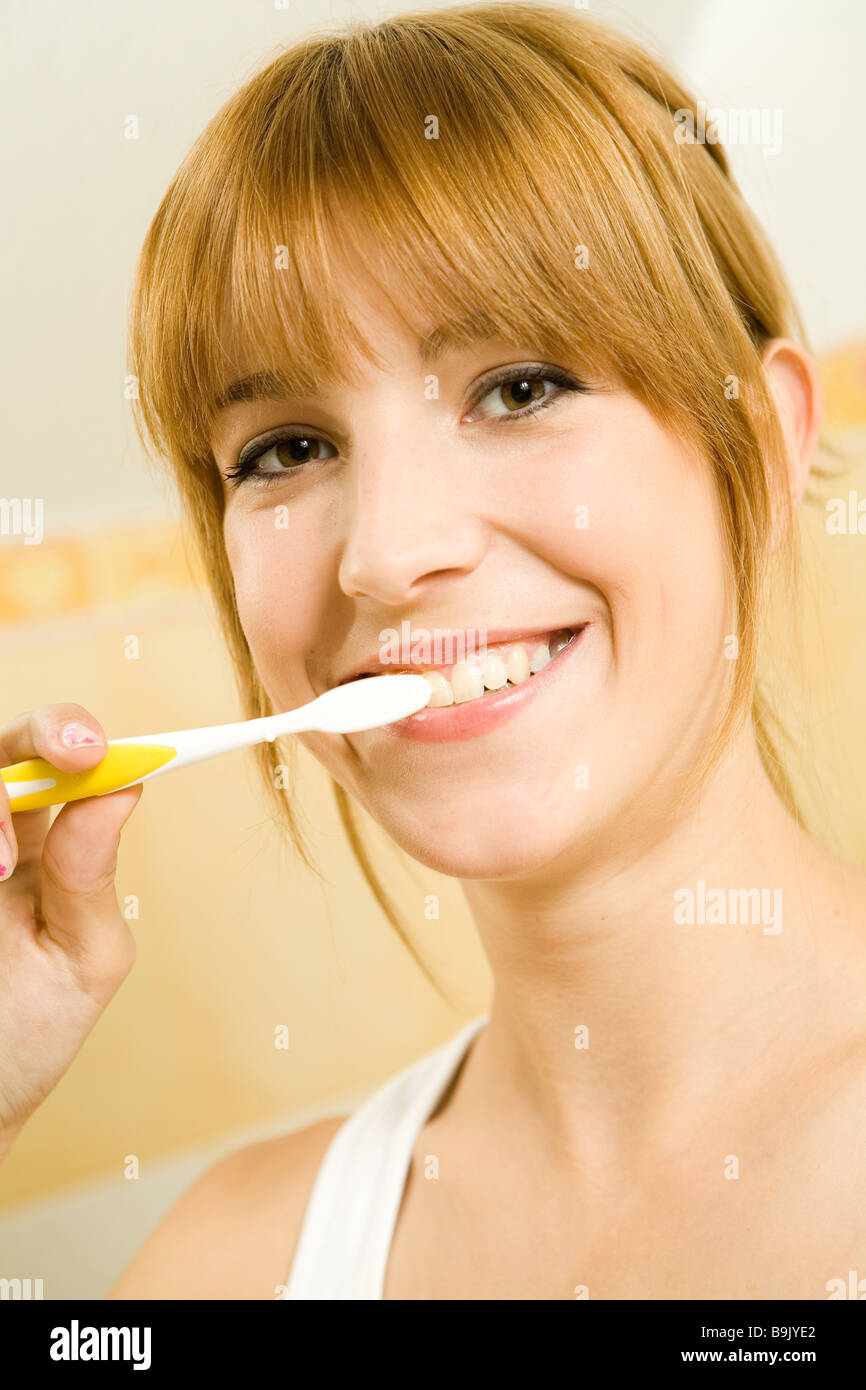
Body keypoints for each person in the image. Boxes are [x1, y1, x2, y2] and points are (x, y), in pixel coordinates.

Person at [2, 2, 864, 1299]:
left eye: (517, 387)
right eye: (286, 450)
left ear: (761, 436)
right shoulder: (225, 1264)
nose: (385, 555)